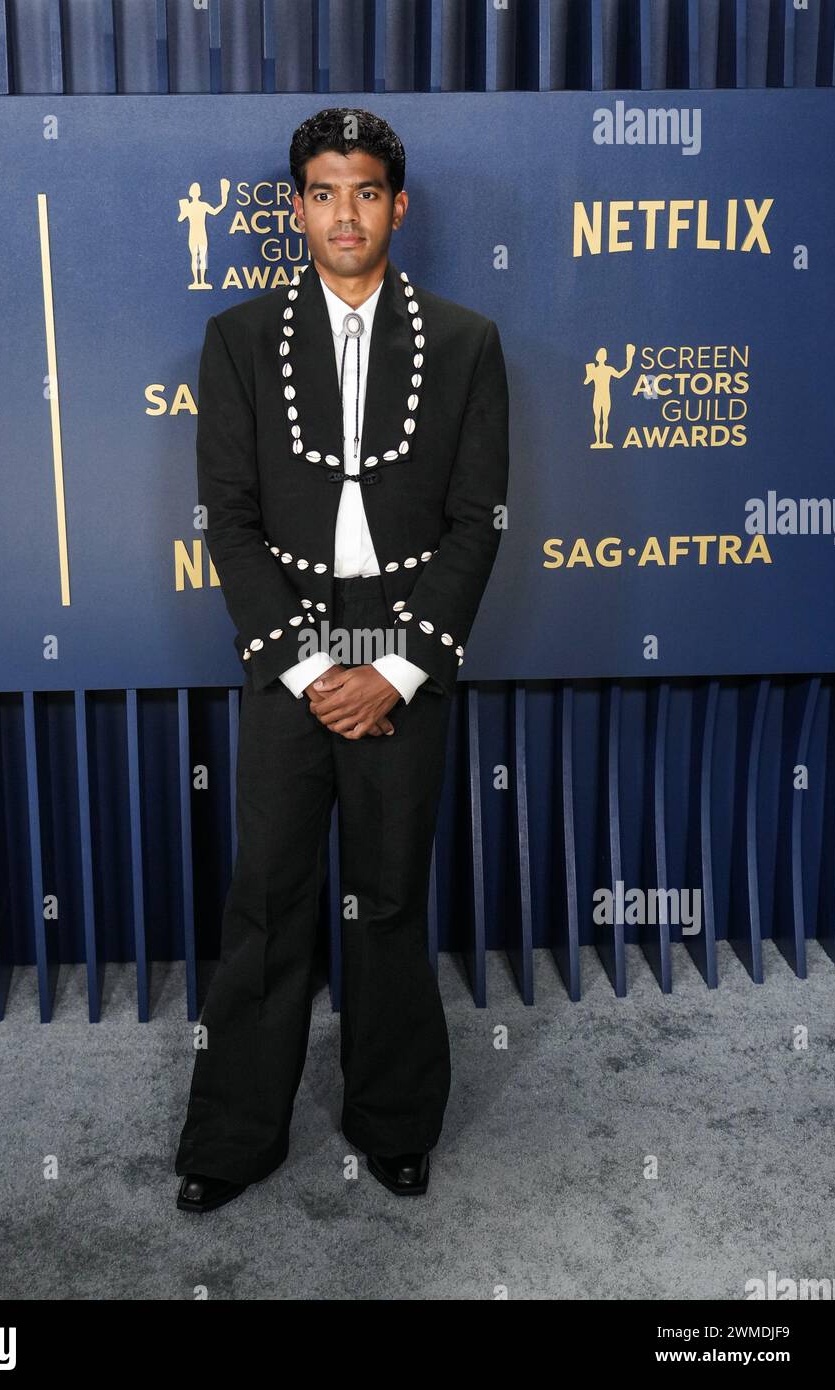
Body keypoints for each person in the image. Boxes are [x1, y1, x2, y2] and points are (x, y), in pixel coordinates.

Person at [175, 107, 510, 1212]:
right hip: (292, 651)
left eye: (365, 190)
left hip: (404, 644)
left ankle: (395, 1118)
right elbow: (227, 520)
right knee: (267, 898)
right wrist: (309, 666)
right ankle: (234, 1132)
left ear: (398, 205)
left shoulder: (465, 343)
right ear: (297, 207)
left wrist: (400, 669)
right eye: (324, 192)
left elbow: (476, 523)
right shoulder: (236, 340)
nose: (345, 213)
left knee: (389, 894)